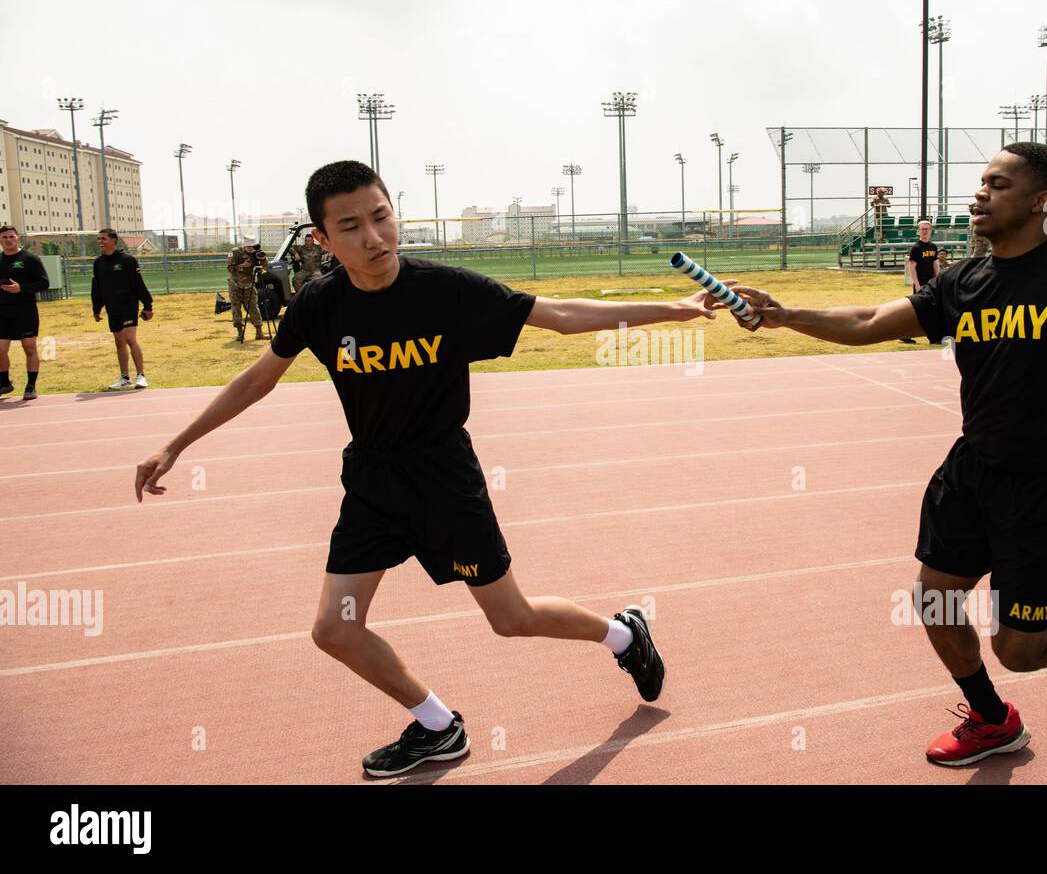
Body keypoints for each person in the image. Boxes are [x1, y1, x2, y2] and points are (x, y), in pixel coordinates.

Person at [134, 160, 722, 777]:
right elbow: (258, 377)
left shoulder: (447, 291)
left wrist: (673, 309)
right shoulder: (318, 305)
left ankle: (624, 635)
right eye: (352, 226)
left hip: (445, 482)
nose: (374, 238)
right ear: (322, 239)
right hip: (372, 483)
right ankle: (439, 727)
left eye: (382, 217)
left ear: (395, 212)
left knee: (511, 619)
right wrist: (175, 445)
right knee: (335, 631)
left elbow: (561, 314)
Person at [716, 142, 1047, 767]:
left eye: (998, 184)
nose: (979, 194)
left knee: (1021, 651)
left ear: (1044, 202)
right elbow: (869, 320)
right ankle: (992, 720)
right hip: (972, 474)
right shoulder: (965, 280)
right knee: (934, 598)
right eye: (980, 182)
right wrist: (786, 315)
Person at [91, 228, 152, 391]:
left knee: (129, 338)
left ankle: (141, 376)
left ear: (113, 240)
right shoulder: (98, 263)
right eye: (98, 239)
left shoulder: (127, 260)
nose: (100, 242)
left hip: (128, 306)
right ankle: (125, 378)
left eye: (103, 239)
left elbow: (138, 284)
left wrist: (148, 305)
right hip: (112, 308)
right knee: (119, 342)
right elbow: (96, 287)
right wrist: (96, 308)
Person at [0, 224, 49, 400]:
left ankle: (30, 386)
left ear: (17, 238)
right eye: (4, 237)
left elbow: (44, 283)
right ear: (0, 240)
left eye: (11, 237)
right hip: (2, 312)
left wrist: (21, 288)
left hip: (25, 311)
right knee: (0, 349)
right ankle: (4, 383)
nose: (8, 240)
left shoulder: (30, 259)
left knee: (29, 348)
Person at [899, 219, 939, 344]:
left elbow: (936, 265)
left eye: (927, 229)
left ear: (930, 231)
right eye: (922, 229)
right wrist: (917, 284)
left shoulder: (933, 247)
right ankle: (905, 334)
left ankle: (933, 336)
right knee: (918, 310)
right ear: (918, 231)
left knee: (931, 309)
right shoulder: (916, 248)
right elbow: (912, 267)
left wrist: (938, 281)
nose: (925, 231)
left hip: (931, 284)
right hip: (920, 284)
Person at [226, 235, 266, 343]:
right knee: (236, 309)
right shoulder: (235, 252)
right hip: (235, 285)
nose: (250, 248)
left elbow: (265, 267)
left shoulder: (256, 253)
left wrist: (263, 260)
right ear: (244, 245)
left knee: (253, 307)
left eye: (252, 246)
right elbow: (229, 268)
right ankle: (240, 333)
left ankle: (259, 333)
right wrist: (242, 265)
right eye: (248, 246)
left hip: (249, 284)